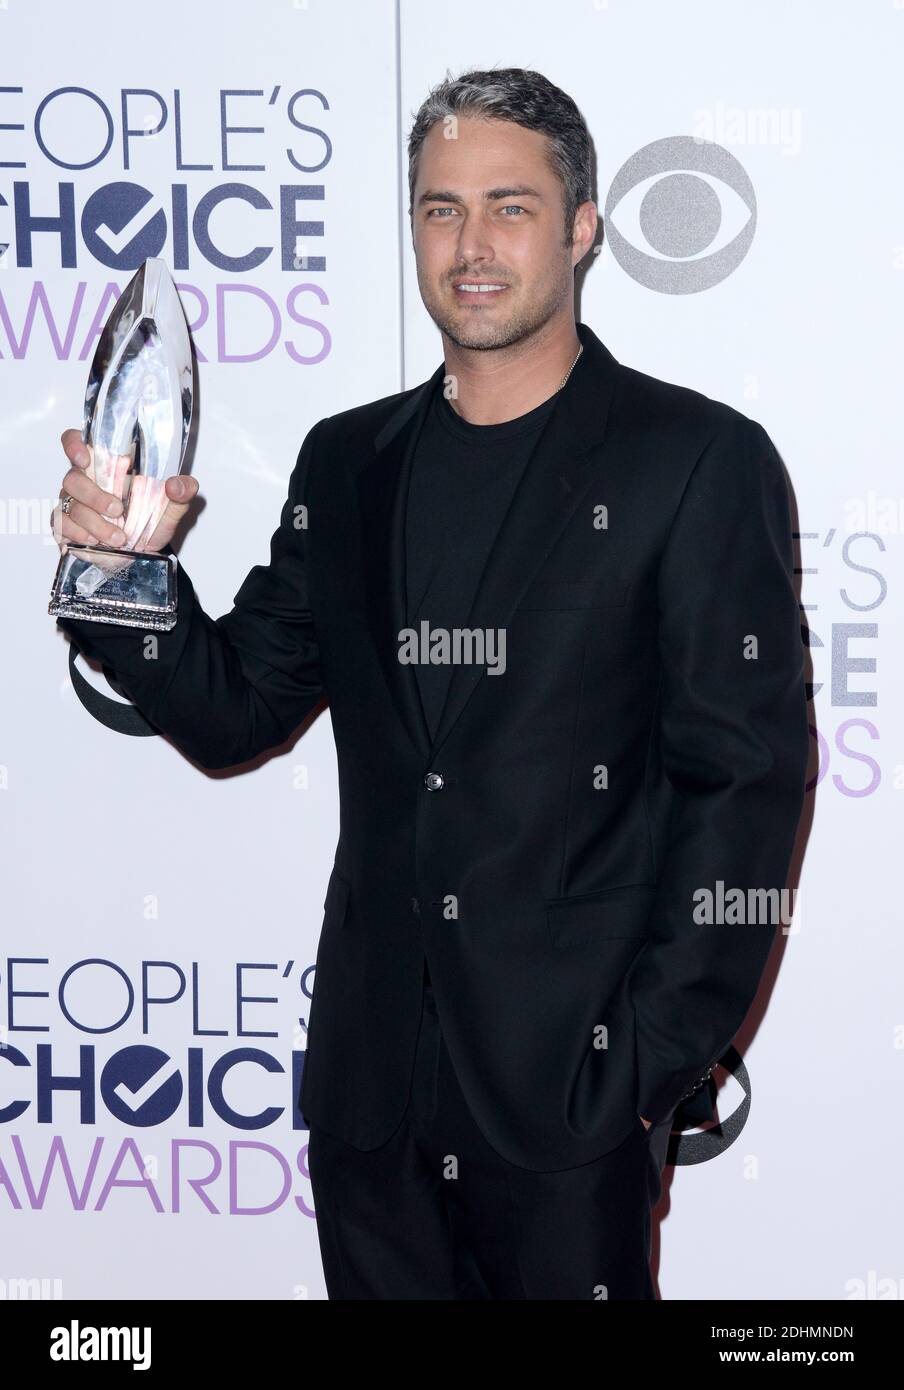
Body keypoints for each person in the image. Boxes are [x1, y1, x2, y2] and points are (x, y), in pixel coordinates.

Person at [52, 68, 809, 1299]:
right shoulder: (349, 459)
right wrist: (120, 574)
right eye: (438, 209)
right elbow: (237, 704)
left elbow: (747, 785)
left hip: (573, 1104)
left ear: (580, 226)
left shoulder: (692, 460)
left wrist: (643, 1066)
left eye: (510, 207)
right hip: (373, 1099)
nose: (470, 245)